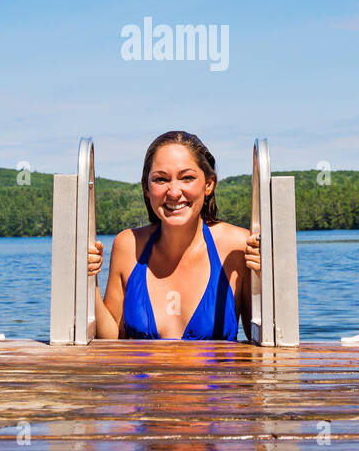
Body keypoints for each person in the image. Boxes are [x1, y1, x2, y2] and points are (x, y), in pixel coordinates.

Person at [87, 130, 260, 340]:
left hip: (216, 374)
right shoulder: (128, 245)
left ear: (208, 185)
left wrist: (265, 278)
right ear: (147, 189)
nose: (174, 192)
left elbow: (260, 337)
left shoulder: (237, 246)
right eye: (161, 179)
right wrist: (89, 280)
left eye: (187, 178)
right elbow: (110, 339)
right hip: (141, 373)